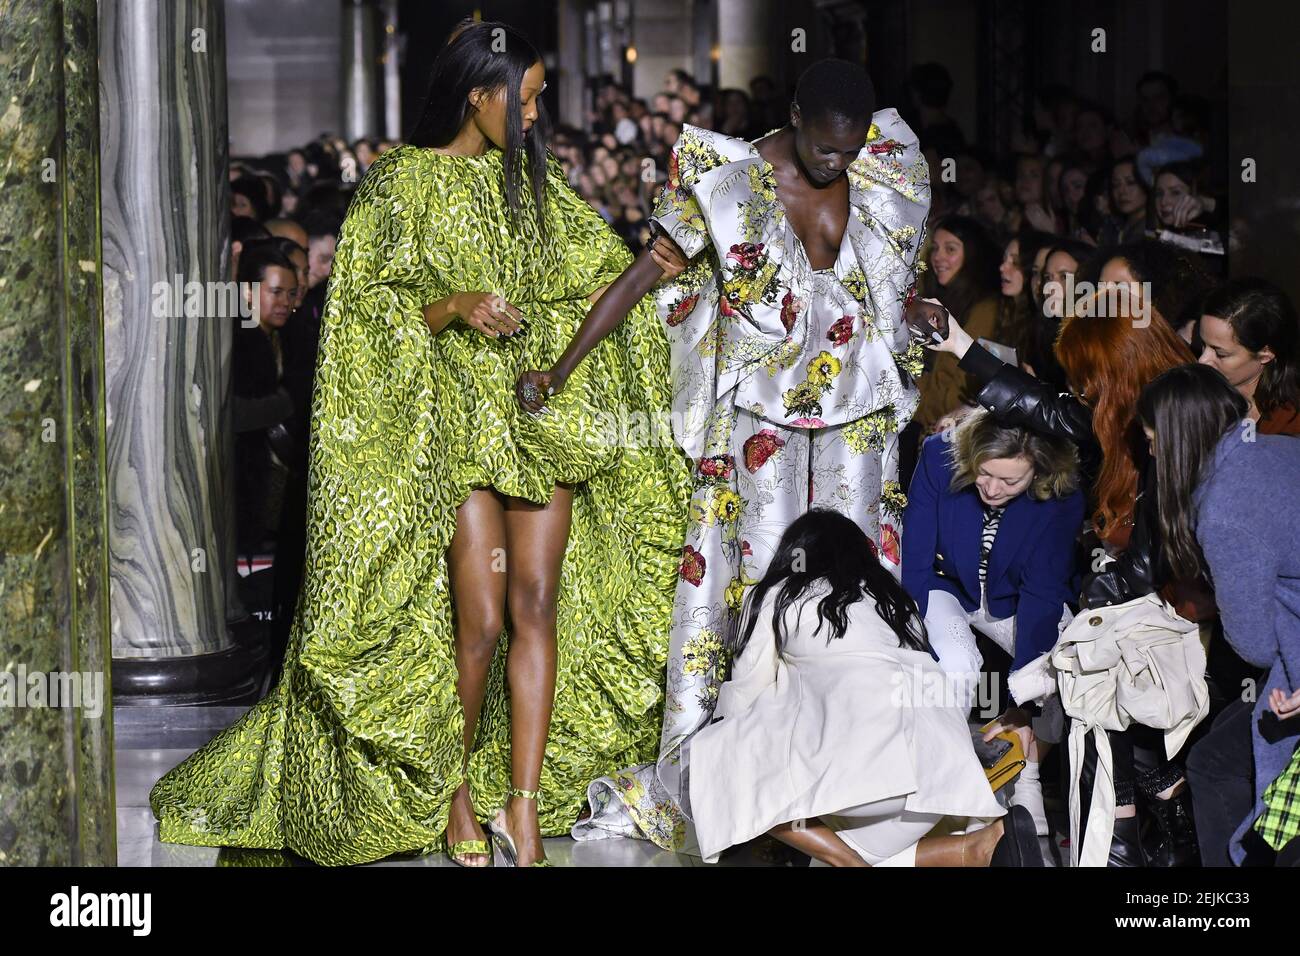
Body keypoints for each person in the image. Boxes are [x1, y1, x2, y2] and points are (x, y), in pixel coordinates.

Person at [151, 18, 690, 868]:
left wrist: (655, 268)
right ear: (480, 96)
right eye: (529, 98)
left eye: (542, 98)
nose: (536, 115)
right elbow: (364, 313)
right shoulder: (399, 185)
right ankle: (455, 793)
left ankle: (520, 800)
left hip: (538, 426)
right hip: (453, 433)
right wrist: (455, 305)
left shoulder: (538, 189)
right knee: (476, 623)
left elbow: (599, 285)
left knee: (536, 608)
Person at [518, 58, 933, 854]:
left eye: (847, 151)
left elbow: (879, 285)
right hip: (759, 419)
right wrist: (562, 368)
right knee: (759, 590)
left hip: (862, 417)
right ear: (795, 115)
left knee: (858, 589)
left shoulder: (888, 170)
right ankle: (752, 784)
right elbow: (645, 275)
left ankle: (859, 779)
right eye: (822, 148)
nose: (835, 163)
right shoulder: (730, 181)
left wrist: (915, 307)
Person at [911, 286, 1202, 866]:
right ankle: (1120, 849)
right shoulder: (1104, 418)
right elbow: (1041, 405)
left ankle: (1152, 852)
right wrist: (959, 342)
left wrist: (1051, 660)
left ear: (1119, 373)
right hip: (1120, 606)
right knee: (1117, 744)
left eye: (1087, 379)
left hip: (1162, 611)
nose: (1079, 391)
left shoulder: (1179, 424)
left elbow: (1130, 564)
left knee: (1144, 747)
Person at [689, 510, 1039, 867]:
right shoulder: (895, 600)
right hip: (938, 780)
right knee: (830, 856)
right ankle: (980, 847)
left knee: (723, 750)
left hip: (865, 781)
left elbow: (745, 696)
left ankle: (851, 864)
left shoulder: (779, 594)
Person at [1138, 364, 1300, 865]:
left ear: (1180, 437)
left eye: (1152, 439)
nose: (1149, 451)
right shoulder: (1276, 448)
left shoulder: (1225, 512)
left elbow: (1253, 643)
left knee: (1215, 767)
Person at [903, 411, 1084, 835]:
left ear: (1037, 473)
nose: (992, 488)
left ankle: (1027, 779)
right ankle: (949, 783)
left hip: (1014, 597)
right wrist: (911, 633)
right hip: (946, 585)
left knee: (1065, 665)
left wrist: (1024, 688)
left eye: (1010, 482)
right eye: (985, 473)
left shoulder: (1062, 495)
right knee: (959, 667)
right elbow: (916, 561)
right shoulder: (937, 456)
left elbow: (1043, 591)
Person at [915, 215, 1000, 433]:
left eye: (950, 249)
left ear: (972, 255)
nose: (938, 257)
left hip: (946, 432)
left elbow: (958, 389)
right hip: (924, 422)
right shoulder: (942, 299)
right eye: (935, 248)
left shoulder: (984, 308)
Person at [1196, 278, 1300, 434]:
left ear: (1266, 354)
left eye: (1220, 354)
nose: (1202, 360)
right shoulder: (1193, 397)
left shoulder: (1290, 424)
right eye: (1203, 345)